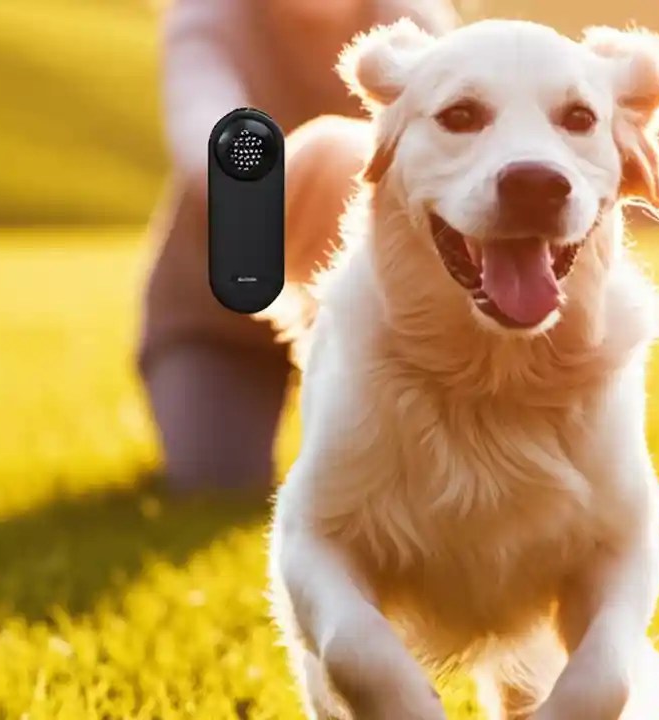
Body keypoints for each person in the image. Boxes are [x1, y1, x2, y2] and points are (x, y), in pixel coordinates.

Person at [140, 0, 458, 493]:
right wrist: (302, 172)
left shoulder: (408, 22)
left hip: (382, 318)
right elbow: (201, 122)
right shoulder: (209, 18)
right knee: (217, 482)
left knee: (422, 490)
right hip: (222, 313)